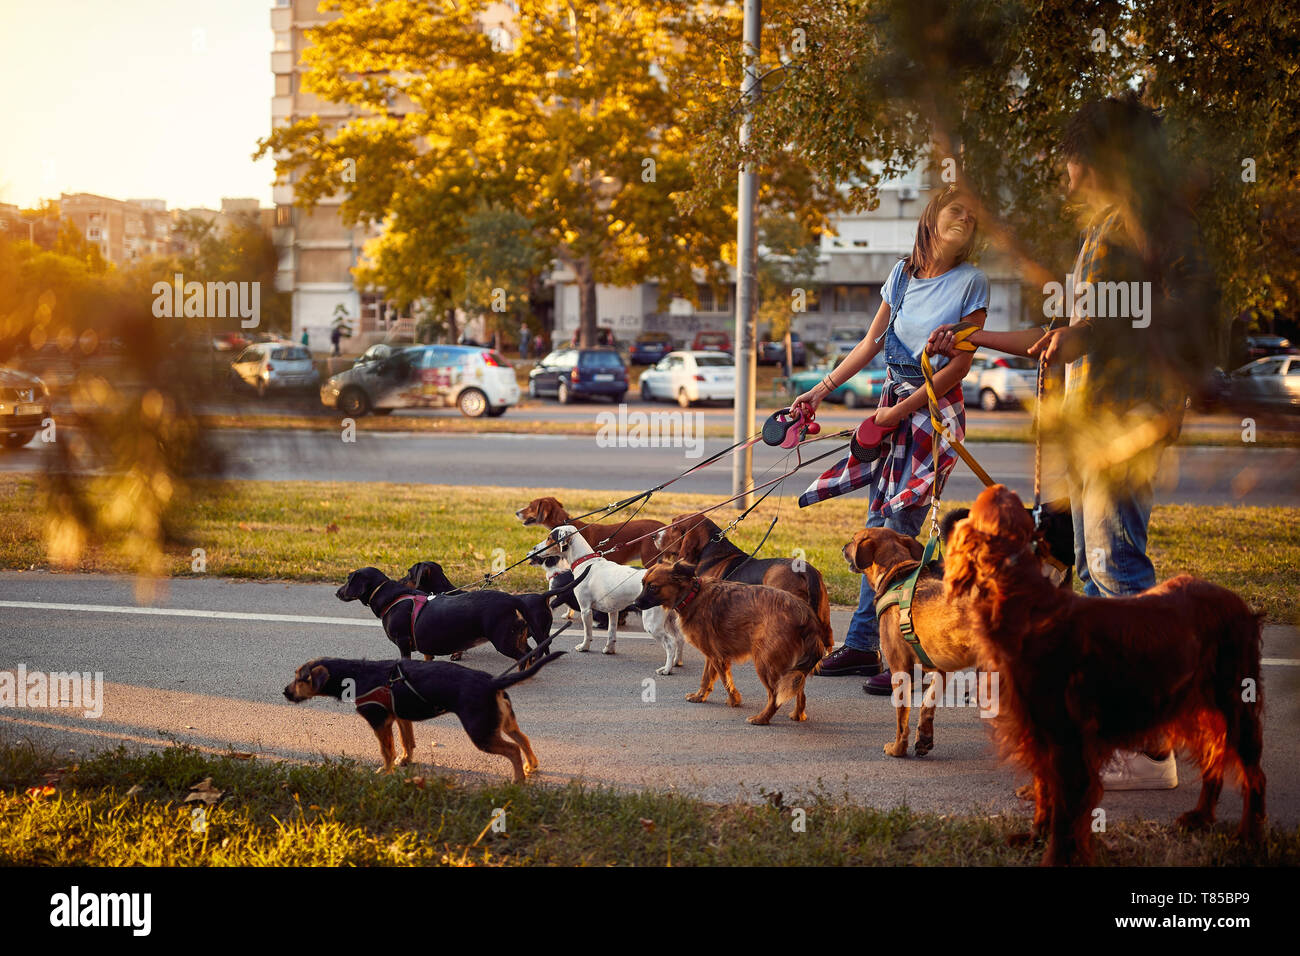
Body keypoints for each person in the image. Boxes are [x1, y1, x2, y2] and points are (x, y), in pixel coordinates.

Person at [927, 96, 1218, 790]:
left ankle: (1152, 735)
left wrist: (1088, 336)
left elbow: (1165, 316)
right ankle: (1120, 729)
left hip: (1125, 424)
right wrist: (967, 340)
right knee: (1091, 572)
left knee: (1117, 569)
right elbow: (1057, 336)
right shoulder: (1102, 235)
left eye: (1069, 154)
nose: (1062, 168)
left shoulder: (1153, 229)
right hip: (1091, 424)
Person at [792, 184, 988, 692]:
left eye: (971, 214)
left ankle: (901, 652)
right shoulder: (901, 275)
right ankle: (863, 645)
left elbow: (961, 365)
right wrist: (818, 393)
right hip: (890, 411)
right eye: (955, 209)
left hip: (930, 416)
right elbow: (868, 344)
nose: (964, 218)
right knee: (877, 526)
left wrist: (900, 409)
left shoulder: (972, 282)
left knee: (899, 525)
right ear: (932, 217)